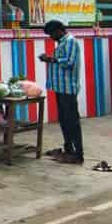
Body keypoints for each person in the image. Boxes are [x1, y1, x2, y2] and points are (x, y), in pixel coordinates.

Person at [40, 20, 84, 164]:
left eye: (52, 34)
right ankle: (69, 150)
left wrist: (51, 59)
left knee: (72, 122)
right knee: (64, 121)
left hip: (68, 89)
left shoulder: (70, 41)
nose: (51, 37)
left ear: (59, 30)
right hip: (60, 88)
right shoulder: (62, 43)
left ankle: (78, 154)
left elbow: (69, 62)